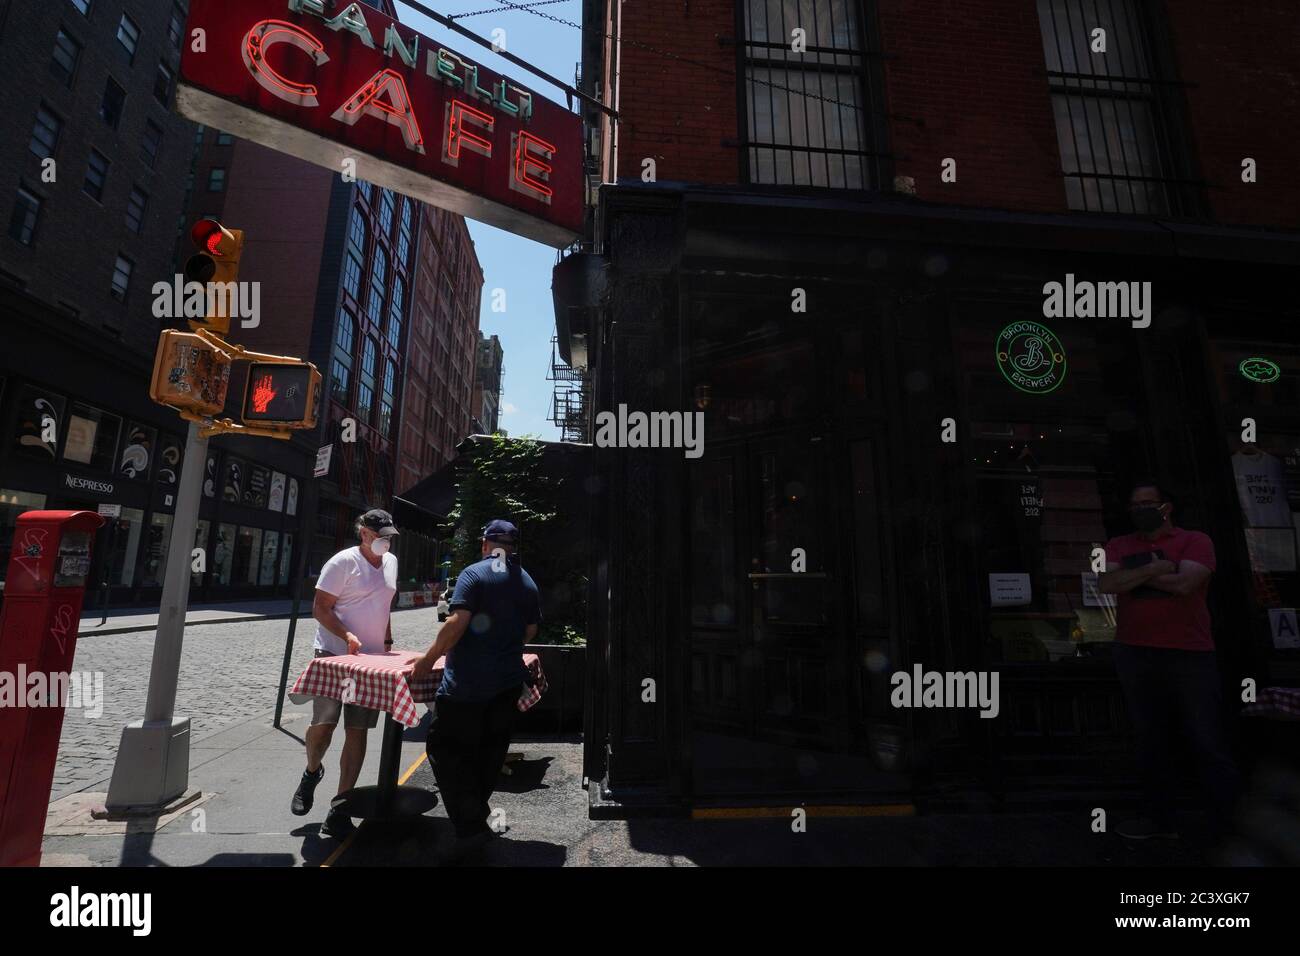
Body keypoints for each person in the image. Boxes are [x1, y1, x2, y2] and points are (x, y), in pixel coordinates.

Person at [1099, 480, 1240, 841]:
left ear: (1167, 507)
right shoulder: (1120, 544)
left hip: (1189, 653)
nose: (1140, 510)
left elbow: (1185, 585)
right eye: (1135, 505)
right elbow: (1107, 584)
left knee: (1206, 738)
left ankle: (1227, 824)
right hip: (1135, 651)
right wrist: (1155, 569)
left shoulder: (1196, 540)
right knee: (1151, 740)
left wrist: (1136, 575)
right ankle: (1159, 820)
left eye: (1148, 503)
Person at [413, 519, 540, 859]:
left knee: (444, 748)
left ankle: (469, 828)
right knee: (488, 754)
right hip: (507, 685)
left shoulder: (473, 574)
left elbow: (457, 623)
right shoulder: (526, 581)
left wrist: (428, 659)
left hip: (466, 686)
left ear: (486, 543)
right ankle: (475, 817)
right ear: (513, 546)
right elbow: (530, 629)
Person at [291, 509, 400, 838]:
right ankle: (312, 771)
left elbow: (384, 605)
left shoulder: (391, 563)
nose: (386, 541)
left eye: (389, 536)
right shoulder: (342, 562)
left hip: (370, 661)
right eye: (381, 535)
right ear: (364, 533)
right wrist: (347, 635)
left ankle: (340, 807)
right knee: (323, 727)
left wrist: (388, 640)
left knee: (358, 731)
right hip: (334, 657)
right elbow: (319, 608)